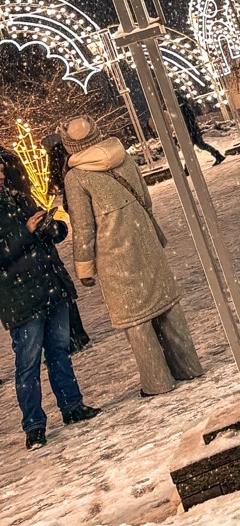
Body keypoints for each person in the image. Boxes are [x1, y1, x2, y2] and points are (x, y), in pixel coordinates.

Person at [61, 116, 204, 397]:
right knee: (167, 307)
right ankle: (188, 366)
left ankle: (157, 382)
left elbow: (83, 226)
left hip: (113, 253)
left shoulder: (76, 177)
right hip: (144, 239)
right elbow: (145, 199)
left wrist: (85, 266)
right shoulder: (123, 156)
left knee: (136, 320)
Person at [0, 172, 96, 450]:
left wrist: (52, 227)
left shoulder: (17, 198)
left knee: (59, 351)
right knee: (27, 364)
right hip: (21, 299)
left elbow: (55, 234)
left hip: (50, 286)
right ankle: (33, 426)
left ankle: (72, 405)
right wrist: (25, 232)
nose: (4, 174)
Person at [179, 91, 226, 166]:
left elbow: (188, 120)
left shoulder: (183, 108)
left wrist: (190, 130)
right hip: (192, 130)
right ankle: (217, 155)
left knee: (190, 149)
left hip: (191, 130)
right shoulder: (185, 107)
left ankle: (188, 167)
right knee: (200, 146)